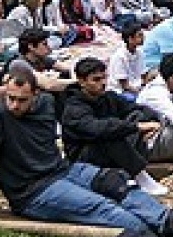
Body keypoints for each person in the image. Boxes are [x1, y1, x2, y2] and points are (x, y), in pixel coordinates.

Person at [0, 65, 173, 236]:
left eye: (22, 100)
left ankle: (168, 218)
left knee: (118, 182)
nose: (15, 106)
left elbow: (67, 89)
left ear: (36, 95)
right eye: (10, 99)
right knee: (99, 206)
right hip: (32, 191)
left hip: (62, 171)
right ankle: (153, 233)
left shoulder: (46, 106)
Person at [61, 57, 167, 195]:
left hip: (109, 150)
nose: (103, 83)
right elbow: (97, 129)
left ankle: (129, 172)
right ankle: (139, 176)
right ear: (82, 82)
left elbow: (139, 108)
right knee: (111, 134)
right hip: (82, 156)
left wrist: (153, 122)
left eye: (104, 78)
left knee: (137, 118)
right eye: (96, 80)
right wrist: (137, 127)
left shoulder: (108, 97)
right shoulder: (73, 107)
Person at [106, 23, 146, 98]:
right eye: (140, 36)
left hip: (136, 87)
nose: (143, 38)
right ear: (130, 39)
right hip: (120, 91)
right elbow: (125, 85)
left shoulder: (140, 53)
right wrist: (141, 92)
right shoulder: (119, 57)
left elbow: (143, 75)